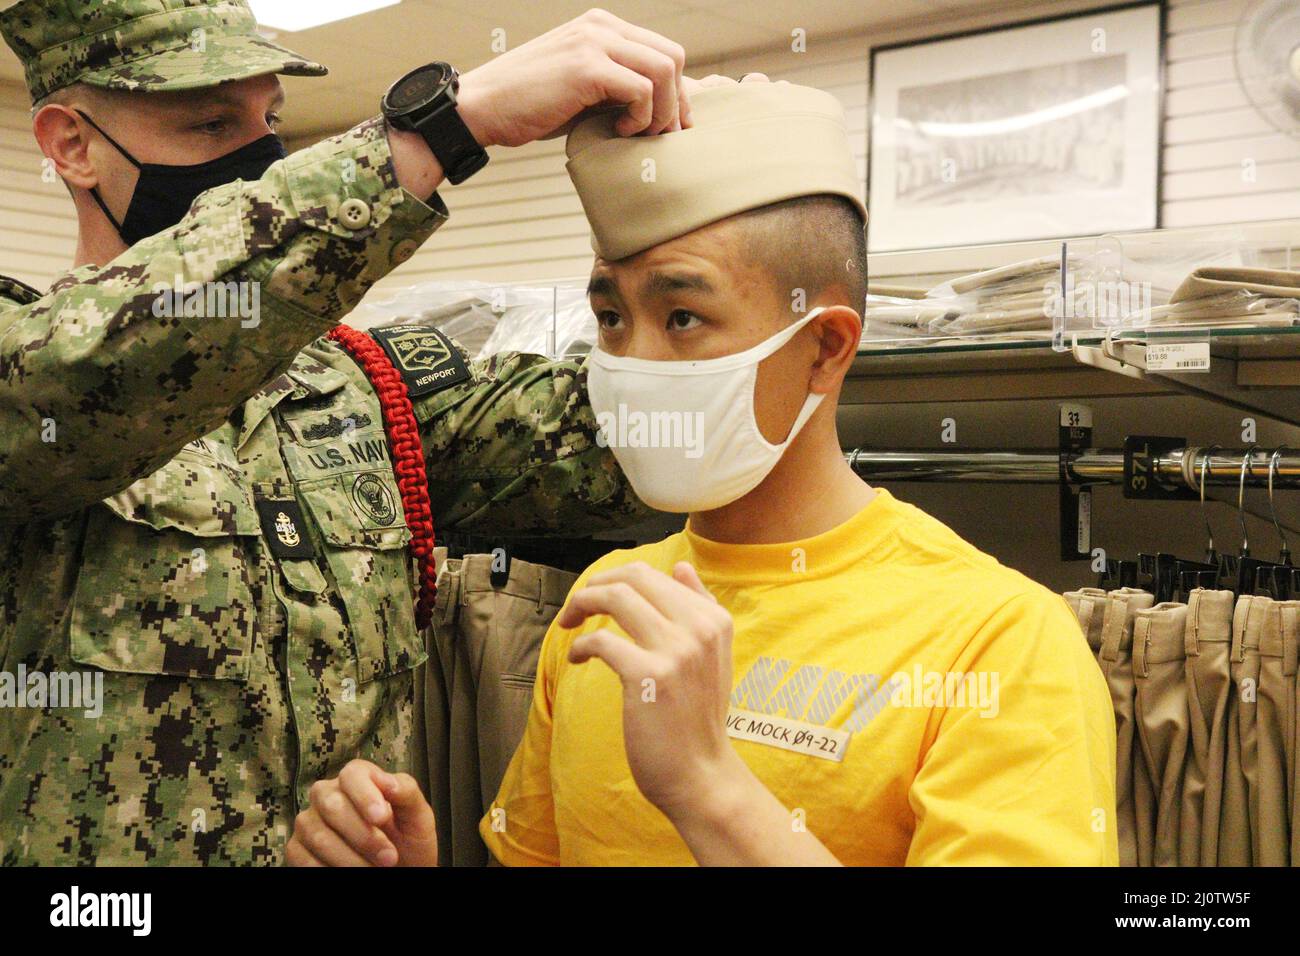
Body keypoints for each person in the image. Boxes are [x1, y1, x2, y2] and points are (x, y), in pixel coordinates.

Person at [293, 80, 1119, 867]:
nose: (629, 361)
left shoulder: (999, 642)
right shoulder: (606, 606)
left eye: (683, 315)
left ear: (826, 347)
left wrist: (705, 784)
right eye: (611, 317)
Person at [0, 0, 705, 865]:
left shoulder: (370, 385)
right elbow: (91, 373)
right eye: (211, 123)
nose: (259, 160)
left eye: (270, 122)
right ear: (71, 144)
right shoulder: (28, 373)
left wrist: (708, 221)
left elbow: (641, 437)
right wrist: (440, 130)